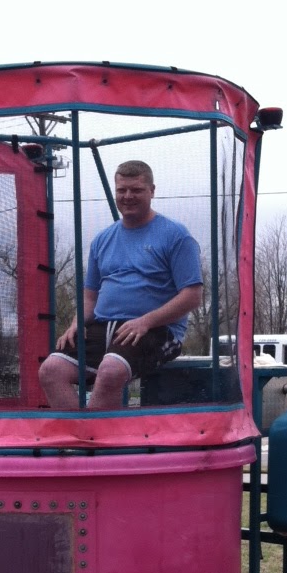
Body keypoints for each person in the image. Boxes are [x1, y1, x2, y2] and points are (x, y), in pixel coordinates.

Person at [39, 160, 203, 410]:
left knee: (111, 371)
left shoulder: (175, 235)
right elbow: (90, 297)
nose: (128, 196)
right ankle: (79, 441)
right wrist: (76, 324)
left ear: (152, 191)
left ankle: (99, 443)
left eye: (136, 190)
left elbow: (192, 296)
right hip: (105, 326)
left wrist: (145, 321)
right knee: (51, 370)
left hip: (155, 331)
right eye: (122, 190)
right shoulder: (102, 240)